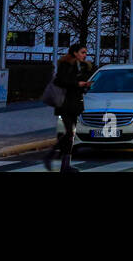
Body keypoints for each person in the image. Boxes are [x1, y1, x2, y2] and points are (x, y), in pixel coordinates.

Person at [44, 42, 92, 172]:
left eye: (86, 53)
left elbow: (79, 83)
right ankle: (51, 156)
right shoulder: (65, 64)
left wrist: (85, 85)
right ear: (75, 53)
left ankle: (65, 165)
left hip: (75, 103)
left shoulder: (81, 66)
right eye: (82, 52)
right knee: (69, 133)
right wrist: (77, 84)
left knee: (71, 135)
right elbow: (60, 81)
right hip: (64, 103)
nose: (85, 55)